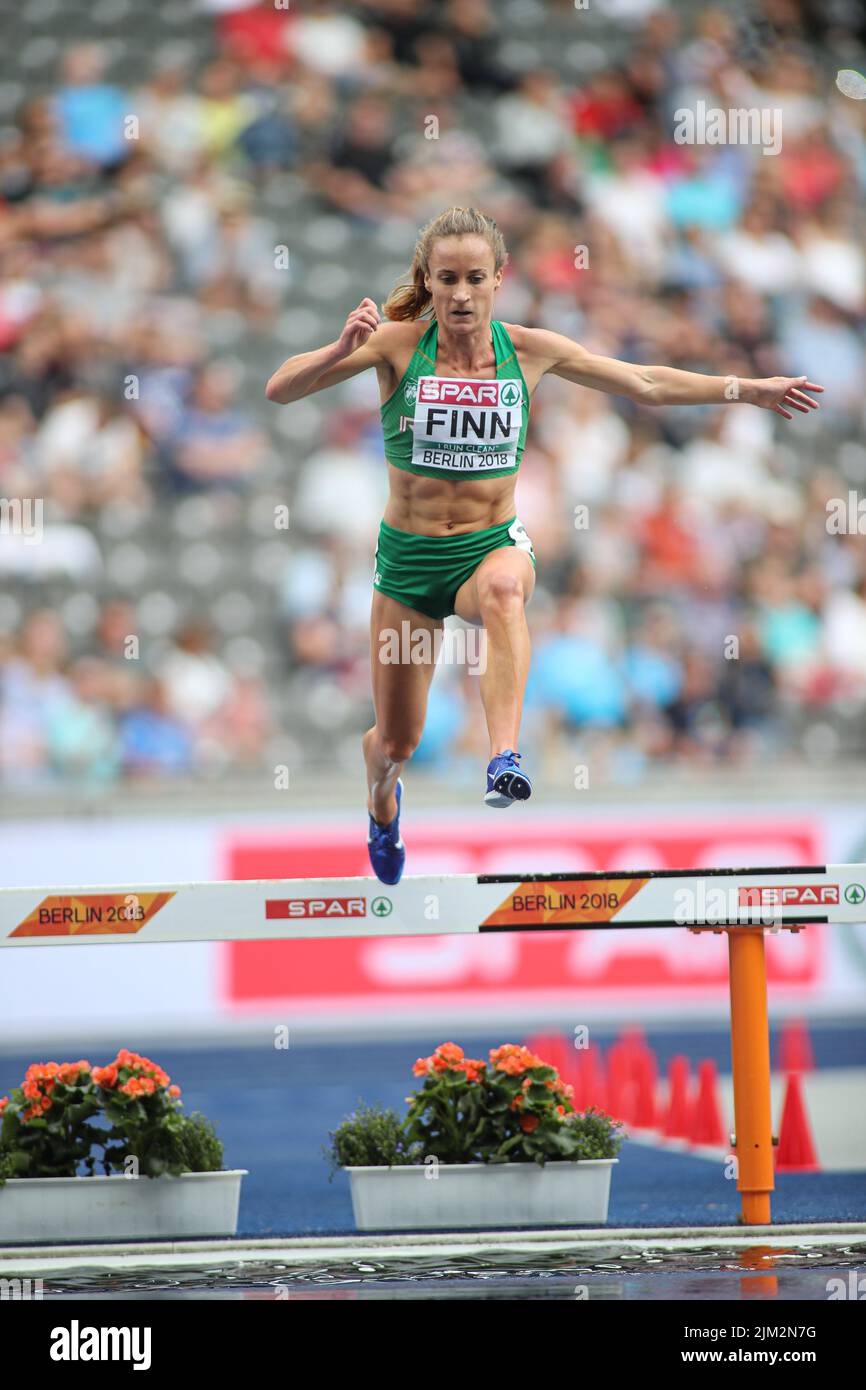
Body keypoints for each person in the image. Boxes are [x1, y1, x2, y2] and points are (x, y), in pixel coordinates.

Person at [265, 205, 822, 884]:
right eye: (447, 279)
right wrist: (339, 348)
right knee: (395, 741)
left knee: (505, 590)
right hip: (408, 564)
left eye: (476, 278)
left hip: (488, 545)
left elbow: (643, 381)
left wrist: (746, 390)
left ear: (501, 278)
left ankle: (504, 756)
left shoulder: (529, 350)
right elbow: (280, 389)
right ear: (429, 282)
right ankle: (383, 800)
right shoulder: (395, 345)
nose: (462, 294)